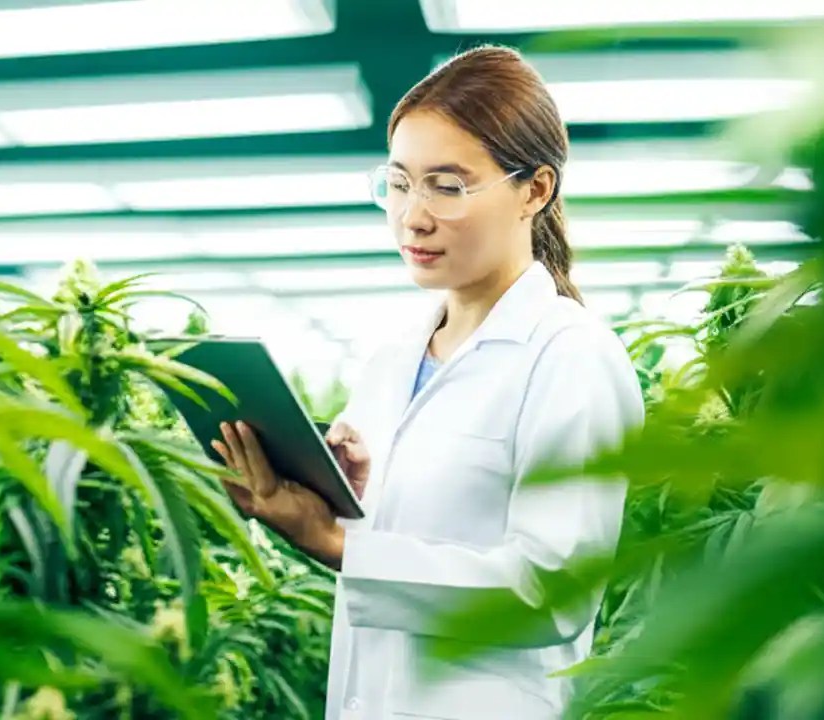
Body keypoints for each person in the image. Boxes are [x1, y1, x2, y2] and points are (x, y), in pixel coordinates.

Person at [210, 45, 645, 719]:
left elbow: (552, 591)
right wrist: (337, 499)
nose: (412, 215)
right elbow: (400, 551)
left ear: (535, 190)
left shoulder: (571, 356)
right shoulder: (392, 362)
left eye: (447, 186)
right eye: (399, 183)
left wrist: (338, 543)